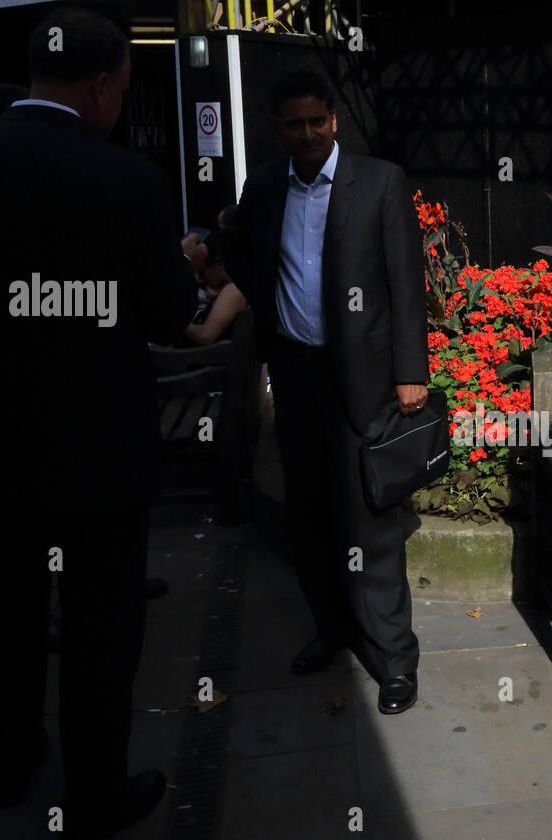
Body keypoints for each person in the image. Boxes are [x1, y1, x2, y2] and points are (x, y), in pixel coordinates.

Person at [0, 6, 195, 840]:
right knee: (102, 631)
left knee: (11, 610)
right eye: (123, 91)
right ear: (101, 86)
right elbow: (170, 316)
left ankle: (11, 762)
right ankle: (94, 798)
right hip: (99, 458)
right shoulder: (125, 179)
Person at [220, 71, 428, 715]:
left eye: (317, 121)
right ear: (278, 128)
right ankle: (331, 631)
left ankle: (394, 658)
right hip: (297, 375)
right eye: (293, 123)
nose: (307, 133)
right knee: (308, 515)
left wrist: (410, 369)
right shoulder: (264, 185)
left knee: (372, 517)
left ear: (335, 120)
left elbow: (404, 279)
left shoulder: (380, 181)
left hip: (364, 383)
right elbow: (244, 251)